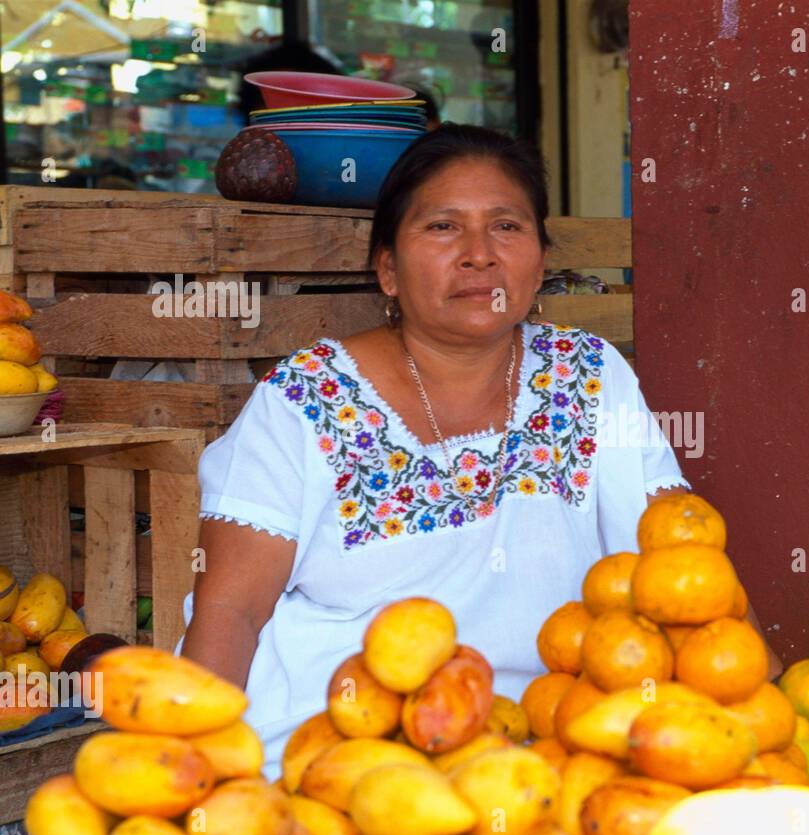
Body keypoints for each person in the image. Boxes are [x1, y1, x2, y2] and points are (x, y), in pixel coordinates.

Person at [180, 124, 778, 776]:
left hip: (553, 752)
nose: (478, 255)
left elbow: (684, 559)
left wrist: (778, 710)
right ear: (388, 269)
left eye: (506, 227)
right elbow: (231, 610)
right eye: (443, 227)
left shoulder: (588, 372)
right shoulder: (304, 398)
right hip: (336, 761)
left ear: (540, 263)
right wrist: (199, 776)